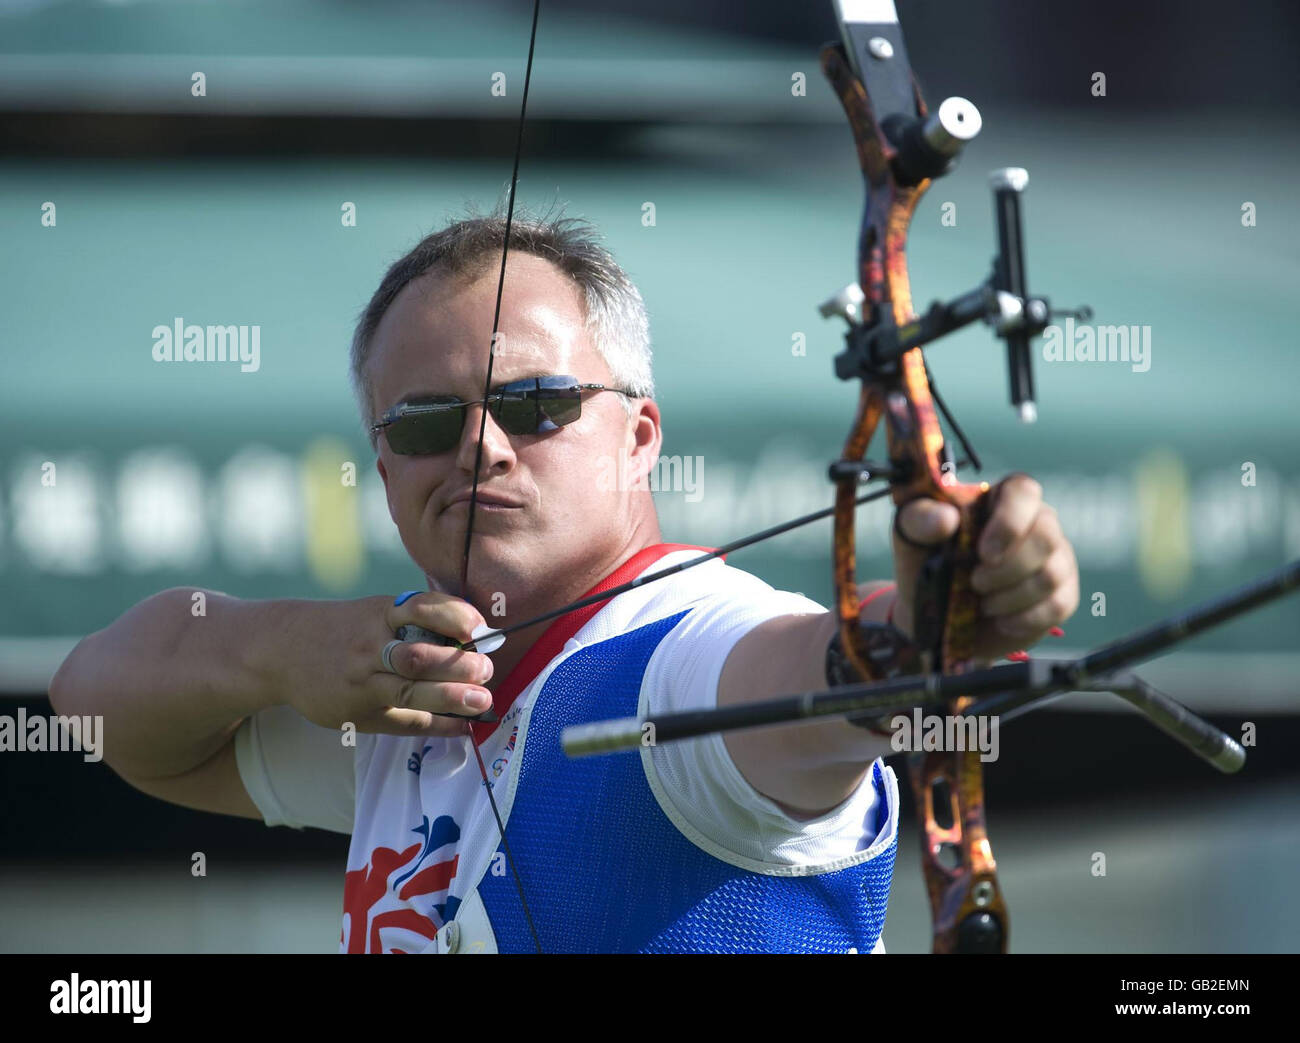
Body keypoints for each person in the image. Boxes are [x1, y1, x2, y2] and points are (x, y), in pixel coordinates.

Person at [49, 213, 1079, 954]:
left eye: (533, 404)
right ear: (385, 471)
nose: (479, 449)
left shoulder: (688, 654)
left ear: (638, 436)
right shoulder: (411, 693)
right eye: (424, 423)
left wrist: (940, 617)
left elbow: (826, 680)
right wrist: (281, 647)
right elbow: (93, 705)